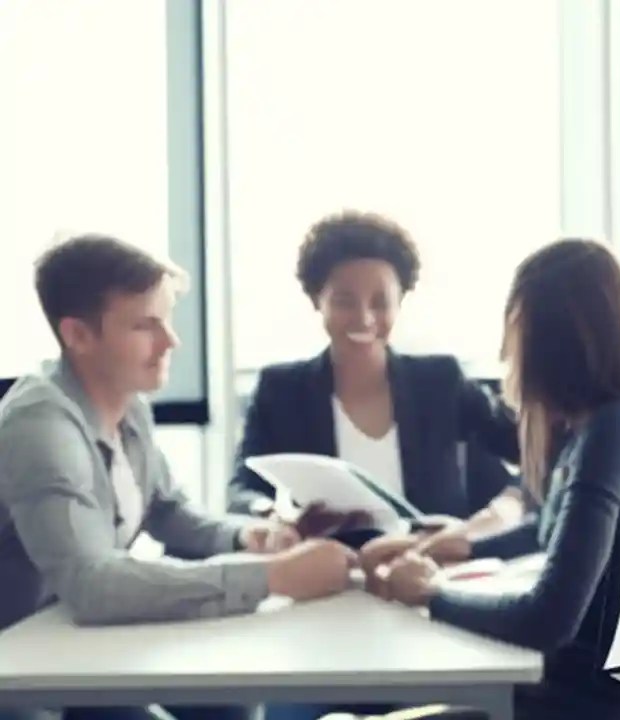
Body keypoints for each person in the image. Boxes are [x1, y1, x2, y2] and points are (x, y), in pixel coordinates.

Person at [0, 235, 357, 720]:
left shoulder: (129, 407)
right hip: (22, 669)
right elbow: (91, 583)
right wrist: (272, 576)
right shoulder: (39, 426)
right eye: (146, 325)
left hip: (75, 646)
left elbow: (168, 512)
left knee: (230, 700)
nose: (171, 341)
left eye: (166, 319)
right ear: (78, 336)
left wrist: (248, 536)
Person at [366, 238, 620, 720]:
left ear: (552, 340)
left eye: (516, 329)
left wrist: (430, 593)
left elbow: (548, 619)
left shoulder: (611, 432)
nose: (506, 351)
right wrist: (461, 547)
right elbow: (557, 529)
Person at [226, 210, 525, 547]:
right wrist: (271, 514)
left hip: (432, 570)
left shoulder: (440, 382)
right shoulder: (280, 391)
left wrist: (504, 509)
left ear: (401, 302)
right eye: (344, 302)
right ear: (316, 300)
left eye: (381, 302)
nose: (364, 318)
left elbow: (536, 452)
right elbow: (241, 490)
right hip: (328, 575)